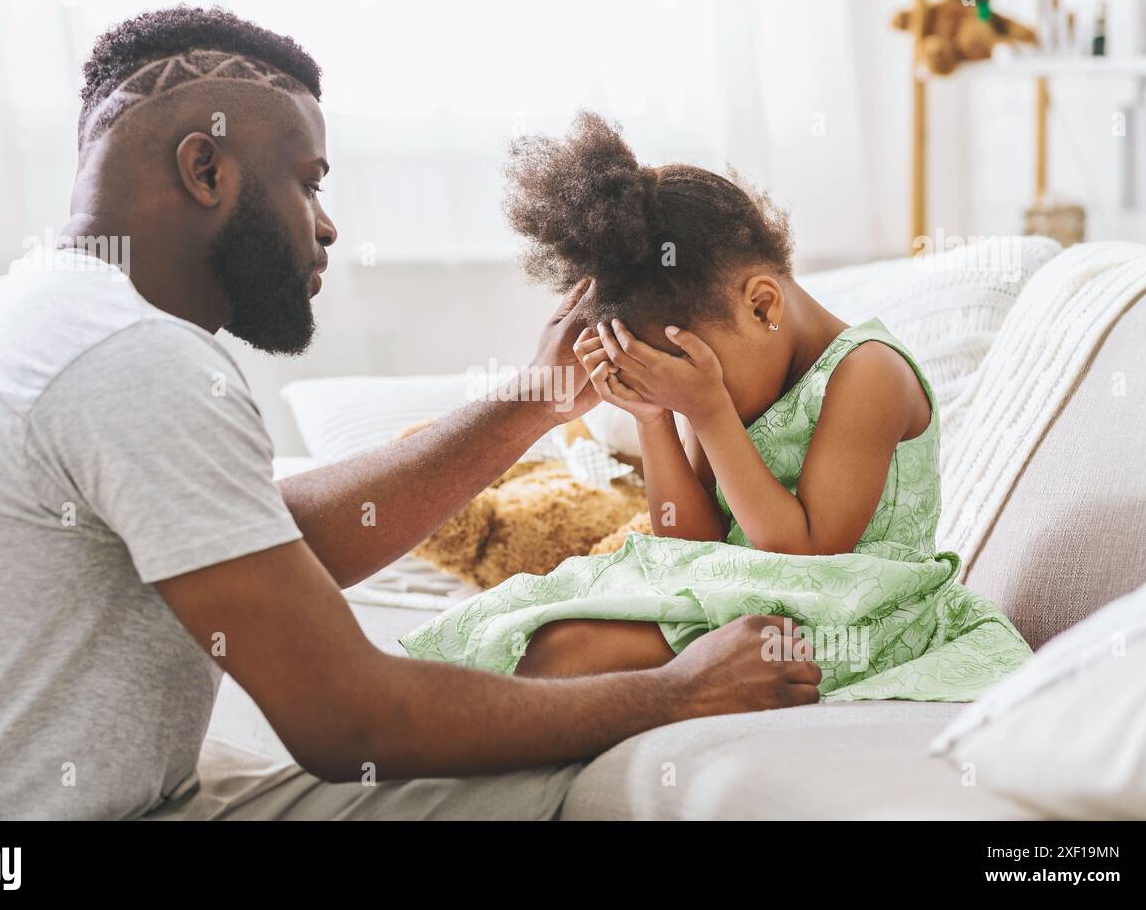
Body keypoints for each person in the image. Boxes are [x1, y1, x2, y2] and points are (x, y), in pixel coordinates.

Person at [0, 8, 820, 821]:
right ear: (206, 167)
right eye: (310, 181)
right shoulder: (132, 358)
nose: (326, 224)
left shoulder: (3, 320)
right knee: (574, 788)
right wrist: (674, 694)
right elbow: (348, 721)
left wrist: (530, 403)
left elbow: (273, 546)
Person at [401, 112, 1032, 700]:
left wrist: (706, 411)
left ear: (763, 305)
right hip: (740, 595)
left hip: (854, 614)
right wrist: (657, 420)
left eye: (693, 378)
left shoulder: (867, 373)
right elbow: (692, 540)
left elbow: (806, 553)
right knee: (533, 633)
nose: (691, 394)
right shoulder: (713, 395)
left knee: (569, 654)